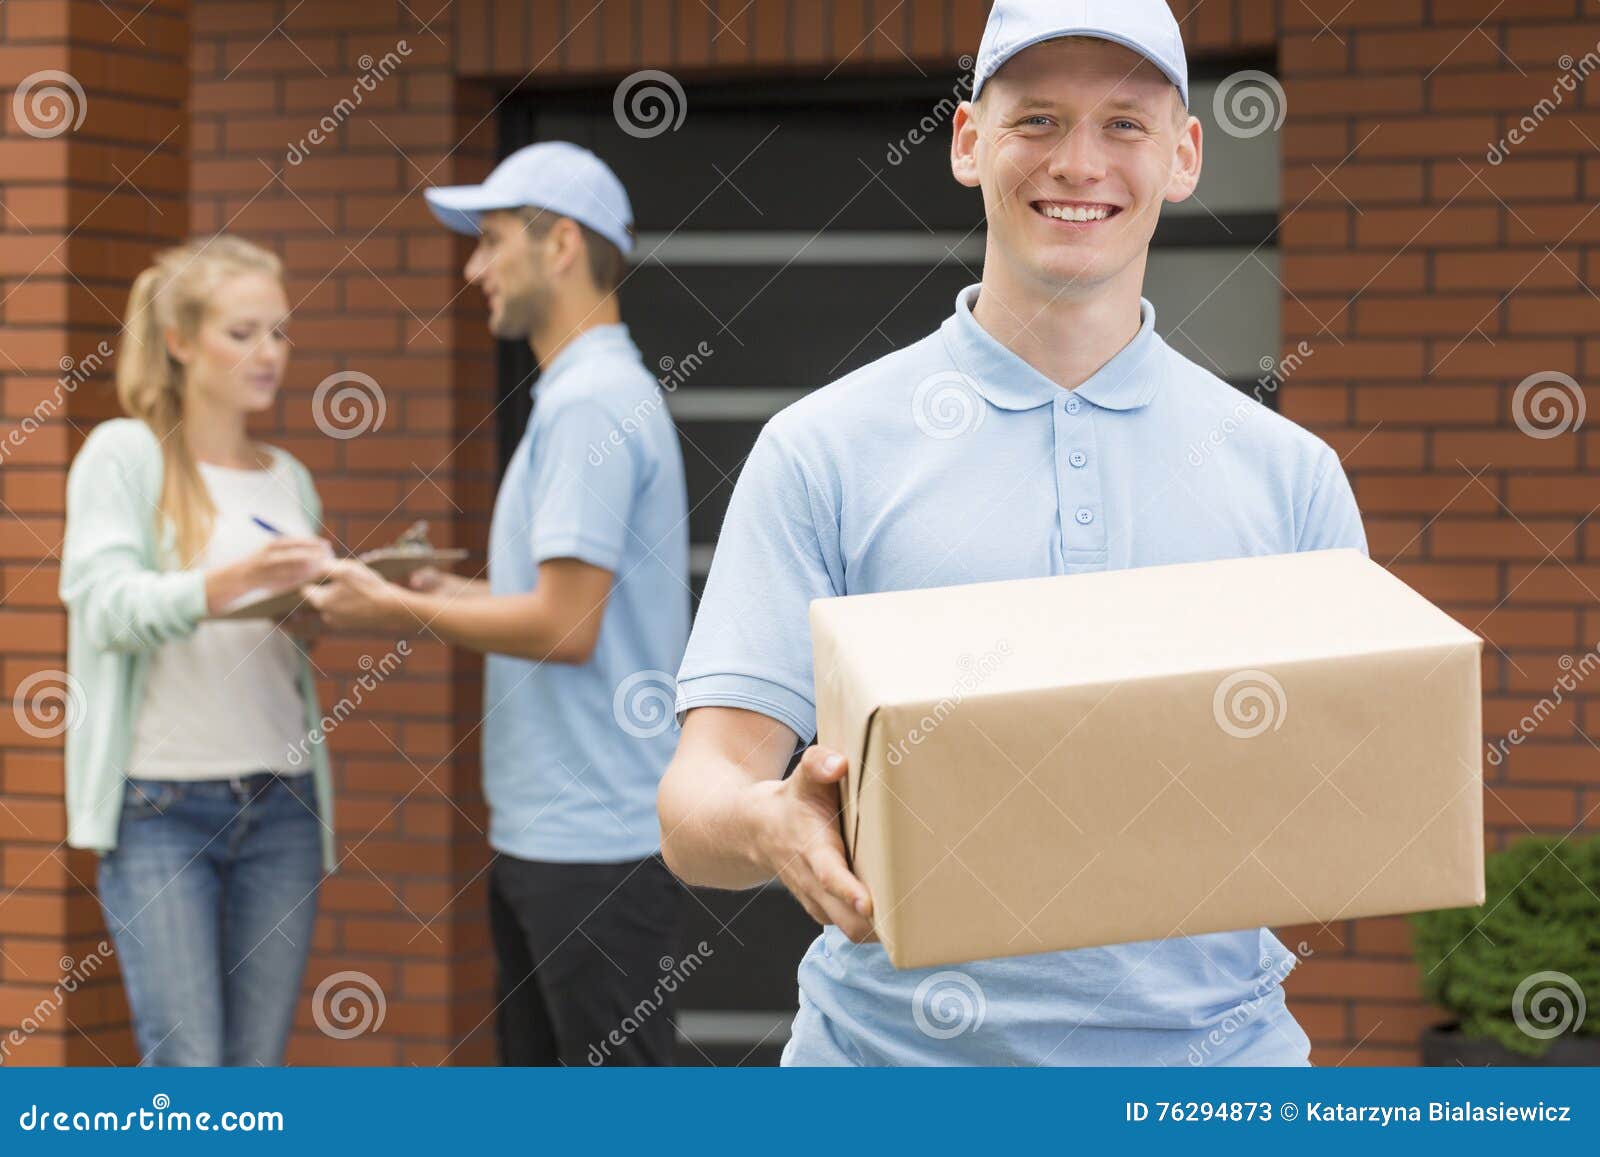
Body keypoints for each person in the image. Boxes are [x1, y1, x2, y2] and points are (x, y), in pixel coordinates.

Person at [658, 0, 1368, 1066]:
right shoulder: (825, 448)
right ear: (966, 142)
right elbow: (694, 797)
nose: (1078, 162)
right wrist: (767, 823)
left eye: (1123, 124)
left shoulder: (1287, 475)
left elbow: (1352, 791)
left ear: (1182, 157)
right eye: (1036, 119)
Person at [306, 142, 690, 1066]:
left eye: (490, 241)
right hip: (561, 838)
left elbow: (563, 625)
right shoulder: (583, 395)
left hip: (590, 846)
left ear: (560, 245)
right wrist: (448, 591)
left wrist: (391, 614)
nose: (474, 267)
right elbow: (557, 601)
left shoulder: (591, 405)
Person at [59, 235, 337, 1066]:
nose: (269, 353)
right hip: (161, 811)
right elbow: (104, 606)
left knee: (254, 1073)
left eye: (279, 332)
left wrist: (324, 603)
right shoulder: (125, 453)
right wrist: (228, 583)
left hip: (283, 803)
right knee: (189, 1071)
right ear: (180, 340)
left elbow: (293, 640)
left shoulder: (285, 474)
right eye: (243, 331)